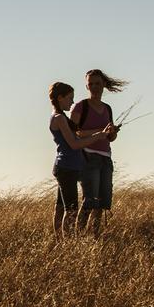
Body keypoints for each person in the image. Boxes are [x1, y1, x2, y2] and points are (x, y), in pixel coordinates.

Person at [49, 81, 117, 238]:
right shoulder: (59, 118)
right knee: (70, 209)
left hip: (68, 166)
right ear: (60, 98)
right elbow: (74, 144)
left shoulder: (62, 117)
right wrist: (98, 136)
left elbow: (77, 136)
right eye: (70, 98)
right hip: (66, 167)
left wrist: (102, 133)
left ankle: (60, 241)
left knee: (61, 206)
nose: (72, 102)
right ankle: (69, 243)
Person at [69, 69, 127, 238]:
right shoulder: (81, 106)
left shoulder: (107, 108)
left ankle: (94, 236)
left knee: (102, 203)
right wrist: (99, 132)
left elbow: (110, 138)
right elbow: (73, 133)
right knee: (89, 201)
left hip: (105, 158)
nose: (94, 87)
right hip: (87, 157)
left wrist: (112, 133)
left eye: (97, 83)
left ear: (103, 86)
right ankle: (77, 237)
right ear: (86, 85)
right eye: (90, 84)